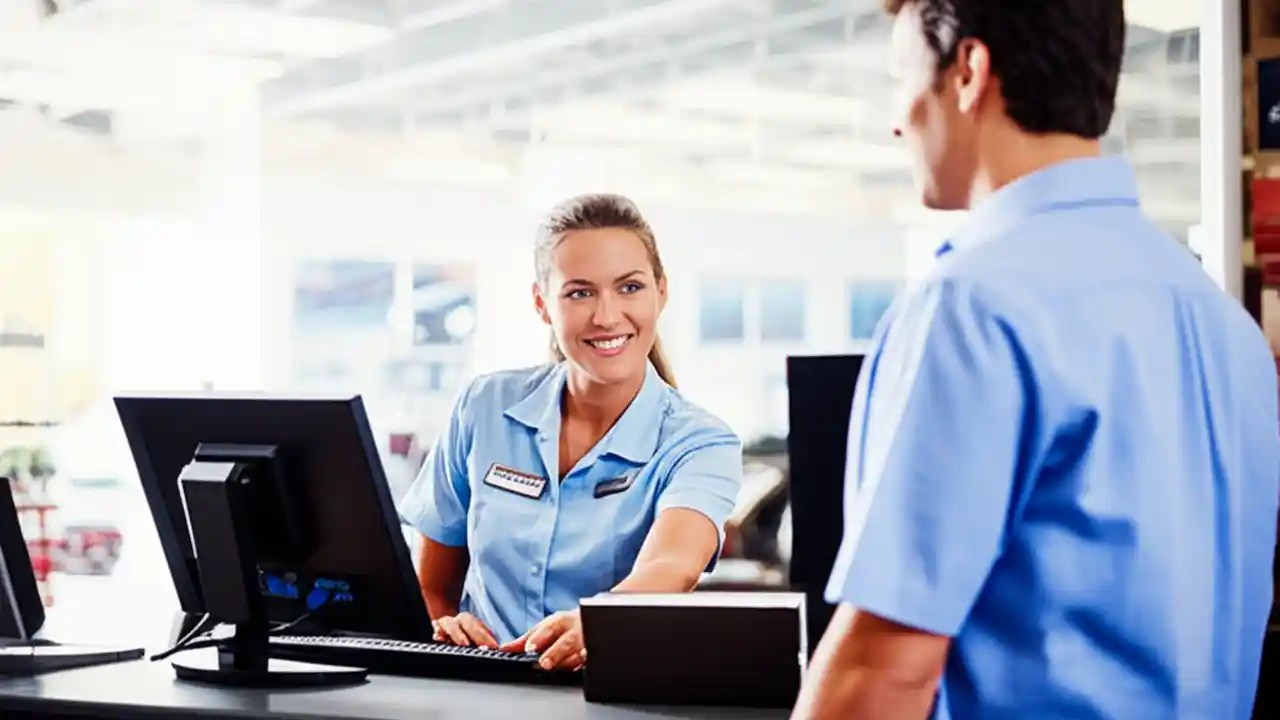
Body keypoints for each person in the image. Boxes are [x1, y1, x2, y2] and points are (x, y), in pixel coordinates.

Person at [792, 1, 1280, 719]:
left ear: (968, 72)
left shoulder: (972, 307)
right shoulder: (1219, 321)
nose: (898, 119)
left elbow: (882, 675)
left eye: (902, 78)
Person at [398, 193, 742, 672]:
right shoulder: (484, 407)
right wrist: (443, 629)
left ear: (661, 292)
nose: (606, 316)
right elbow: (431, 588)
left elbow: (672, 567)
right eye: (580, 292)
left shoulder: (701, 443)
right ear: (543, 303)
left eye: (630, 288)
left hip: (603, 698)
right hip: (474, 692)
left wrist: (601, 620)